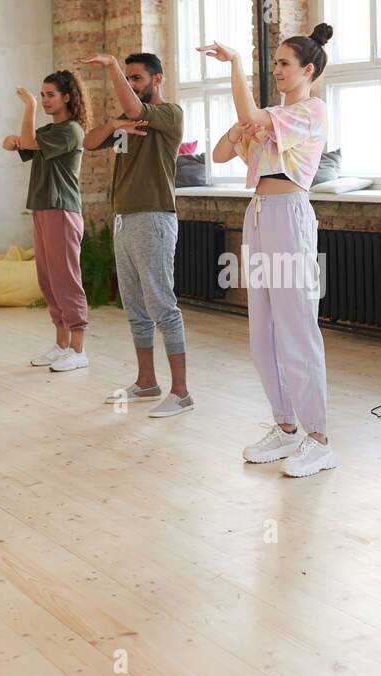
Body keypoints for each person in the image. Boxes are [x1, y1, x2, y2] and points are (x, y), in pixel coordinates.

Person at [201, 24, 336, 478]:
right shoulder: (270, 117)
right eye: (273, 62)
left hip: (289, 215)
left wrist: (237, 65)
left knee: (297, 327)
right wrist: (243, 124)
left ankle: (318, 437)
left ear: (308, 70)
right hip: (258, 214)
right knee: (261, 331)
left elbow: (251, 117)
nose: (276, 70)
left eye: (284, 63)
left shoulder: (311, 111)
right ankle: (285, 426)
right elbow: (221, 153)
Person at [77, 51, 193, 417]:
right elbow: (90, 142)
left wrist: (111, 66)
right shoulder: (127, 121)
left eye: (136, 78)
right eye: (126, 78)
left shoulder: (169, 114)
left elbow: (139, 111)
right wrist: (114, 124)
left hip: (154, 219)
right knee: (135, 308)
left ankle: (181, 392)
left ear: (156, 80)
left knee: (162, 305)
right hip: (125, 220)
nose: (130, 84)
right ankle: (146, 382)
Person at [3, 71, 91, 371]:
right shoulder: (50, 132)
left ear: (67, 97)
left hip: (62, 210)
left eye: (49, 94)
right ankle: (61, 344)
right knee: (48, 280)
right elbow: (19, 144)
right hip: (43, 208)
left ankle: (78, 351)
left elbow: (26, 141)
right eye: (41, 95)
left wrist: (29, 107)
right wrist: (15, 140)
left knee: (66, 279)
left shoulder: (71, 131)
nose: (44, 99)